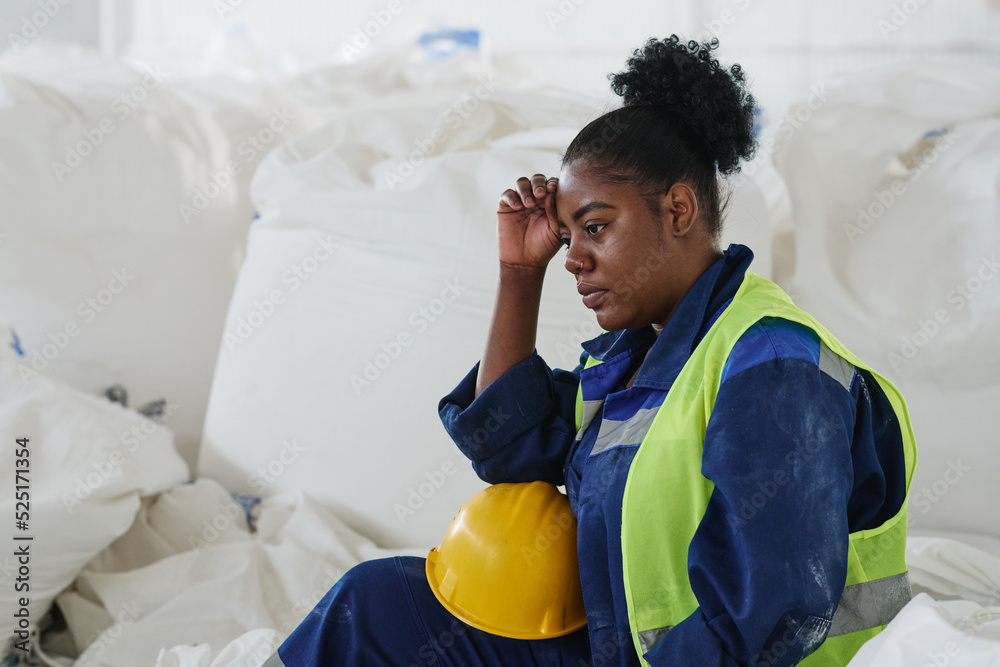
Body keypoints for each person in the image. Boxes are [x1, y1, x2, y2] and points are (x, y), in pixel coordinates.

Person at [266, 35, 916, 667]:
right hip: (615, 647)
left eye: (596, 227)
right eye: (569, 233)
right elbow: (506, 444)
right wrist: (520, 274)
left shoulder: (771, 362)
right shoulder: (636, 360)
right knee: (375, 601)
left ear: (680, 210)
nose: (574, 257)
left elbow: (770, 618)